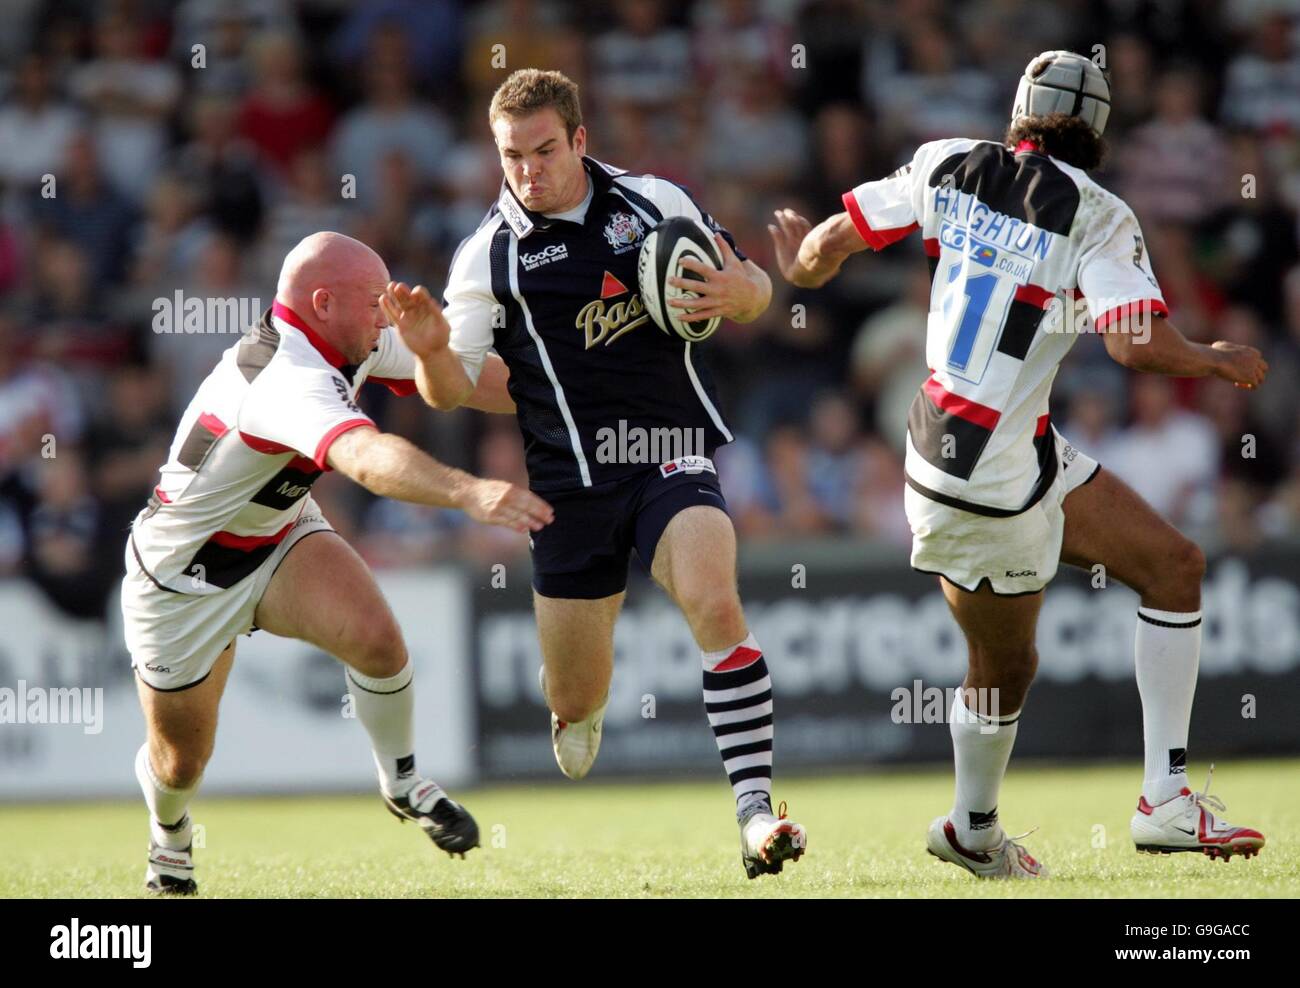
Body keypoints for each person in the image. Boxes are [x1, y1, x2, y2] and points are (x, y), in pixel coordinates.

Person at [769, 51, 1268, 878]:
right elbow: (1133, 341)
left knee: (1175, 565)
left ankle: (1162, 801)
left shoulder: (947, 161)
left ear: (1019, 112)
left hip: (975, 446)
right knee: (1005, 667)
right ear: (1098, 134)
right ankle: (975, 827)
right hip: (989, 481)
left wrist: (801, 269)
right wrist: (1216, 359)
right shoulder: (1099, 214)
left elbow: (828, 241)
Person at [382, 68, 806, 879]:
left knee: (714, 598)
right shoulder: (487, 257)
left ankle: (756, 816)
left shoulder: (653, 202)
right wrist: (433, 350)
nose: (529, 171)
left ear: (580, 139)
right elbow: (451, 390)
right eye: (511, 157)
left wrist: (736, 290)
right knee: (574, 705)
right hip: (566, 492)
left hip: (667, 453)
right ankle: (576, 703)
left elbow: (753, 286)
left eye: (544, 151)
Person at [122, 231, 553, 894]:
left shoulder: (340, 335)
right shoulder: (284, 379)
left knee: (379, 643)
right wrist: (469, 491)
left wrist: (571, 392)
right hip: (186, 578)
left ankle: (403, 782)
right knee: (180, 763)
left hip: (277, 532)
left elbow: (467, 379)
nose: (385, 317)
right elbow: (366, 459)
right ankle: (170, 839)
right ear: (322, 303)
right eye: (373, 304)